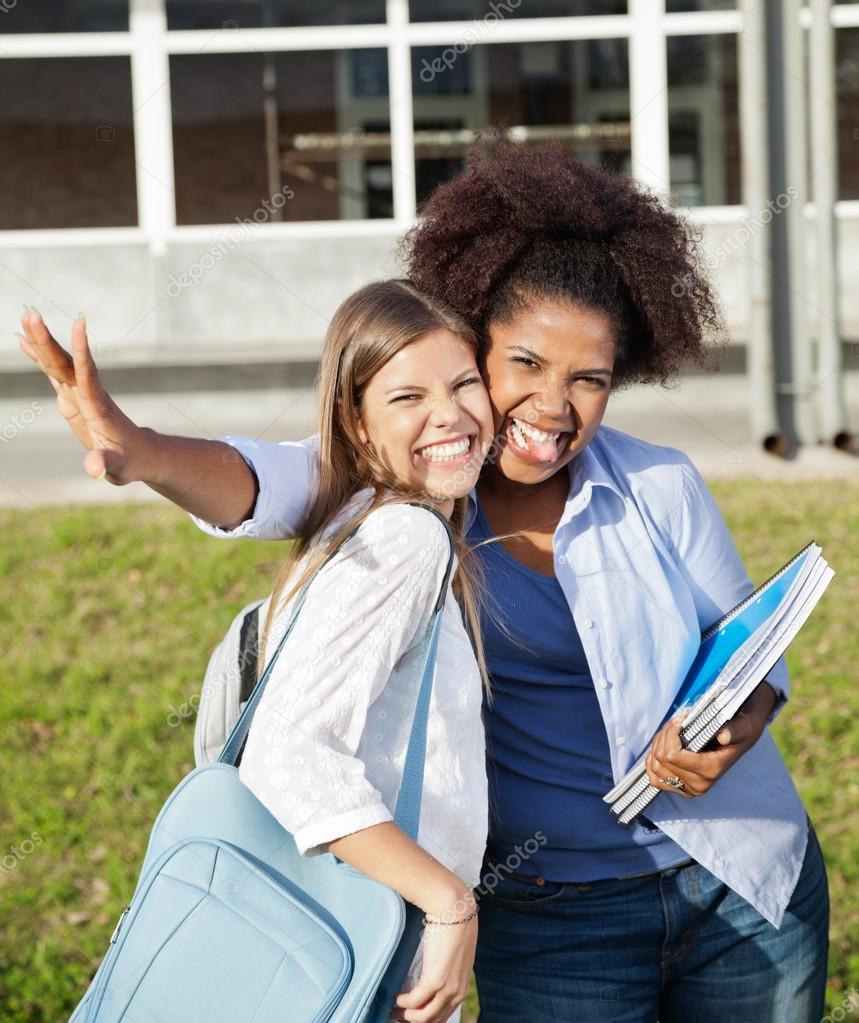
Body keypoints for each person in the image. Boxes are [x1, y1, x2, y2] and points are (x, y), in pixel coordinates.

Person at [19, 139, 829, 1023]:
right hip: (555, 916)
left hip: (741, 883)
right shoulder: (411, 498)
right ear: (472, 344)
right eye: (522, 364)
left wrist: (729, 732)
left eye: (588, 379)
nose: (553, 407)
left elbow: (754, 658)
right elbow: (263, 478)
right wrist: (138, 448)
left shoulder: (660, 484)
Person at [21, 278, 497, 1023]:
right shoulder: (406, 537)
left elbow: (263, 476)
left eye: (465, 382)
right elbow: (290, 751)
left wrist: (144, 451)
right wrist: (450, 902)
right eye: (407, 398)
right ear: (358, 423)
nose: (450, 414)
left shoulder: (355, 512)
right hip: (366, 937)